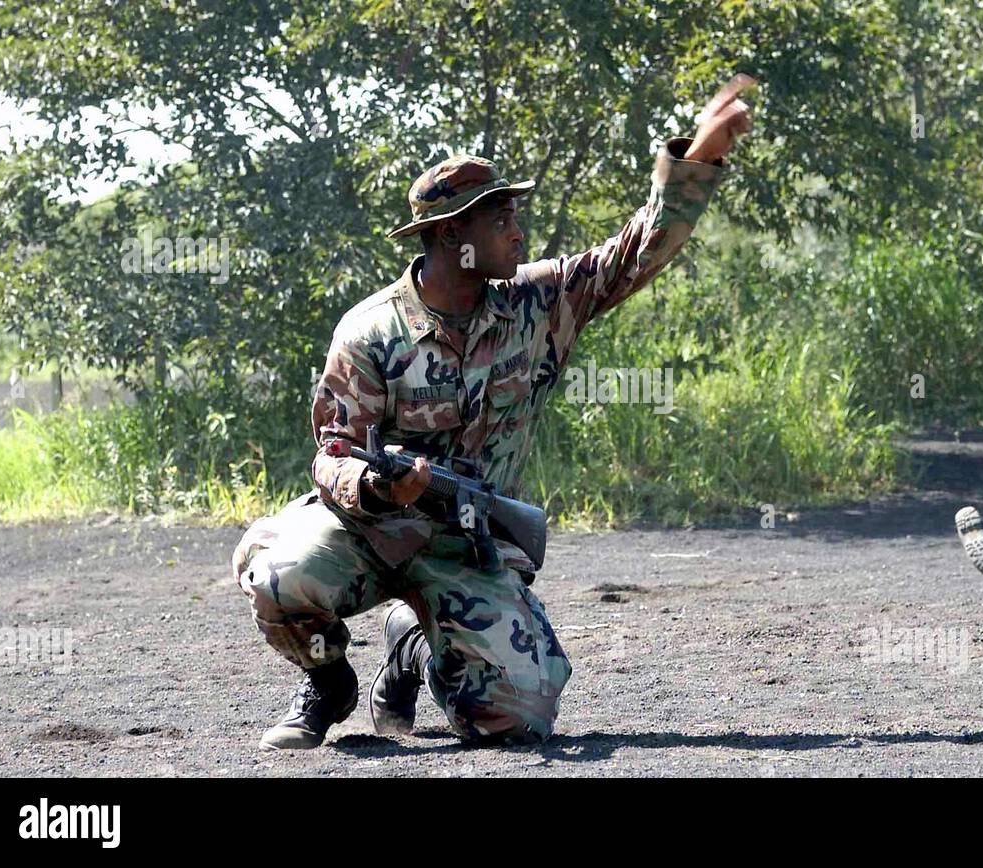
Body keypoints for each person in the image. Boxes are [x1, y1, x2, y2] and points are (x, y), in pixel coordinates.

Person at [230, 75, 756, 750]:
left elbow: (635, 252)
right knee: (278, 577)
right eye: (500, 219)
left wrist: (695, 164)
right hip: (371, 531)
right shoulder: (370, 332)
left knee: (516, 722)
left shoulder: (537, 303)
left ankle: (415, 647)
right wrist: (377, 486)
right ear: (454, 237)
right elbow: (332, 452)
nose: (518, 231)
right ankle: (329, 685)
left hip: (468, 547)